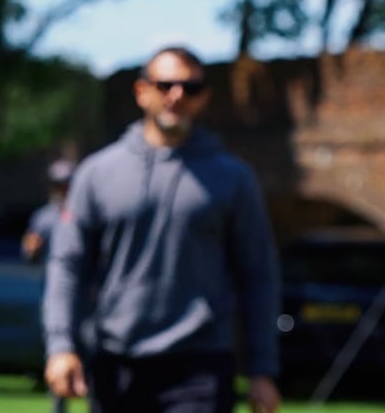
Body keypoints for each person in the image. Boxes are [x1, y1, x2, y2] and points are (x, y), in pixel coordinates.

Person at [42, 45, 282, 413]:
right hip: (115, 361)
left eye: (191, 87)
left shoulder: (233, 177)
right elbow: (67, 265)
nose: (177, 95)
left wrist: (262, 369)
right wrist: (61, 345)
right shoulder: (98, 173)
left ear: (204, 97)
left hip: (201, 364)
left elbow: (258, 274)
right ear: (142, 92)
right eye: (166, 85)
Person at [22, 159, 75, 264]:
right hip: (51, 271)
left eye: (66, 184)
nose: (63, 189)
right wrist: (32, 250)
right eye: (58, 185)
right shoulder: (42, 217)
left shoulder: (86, 213)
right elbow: (30, 254)